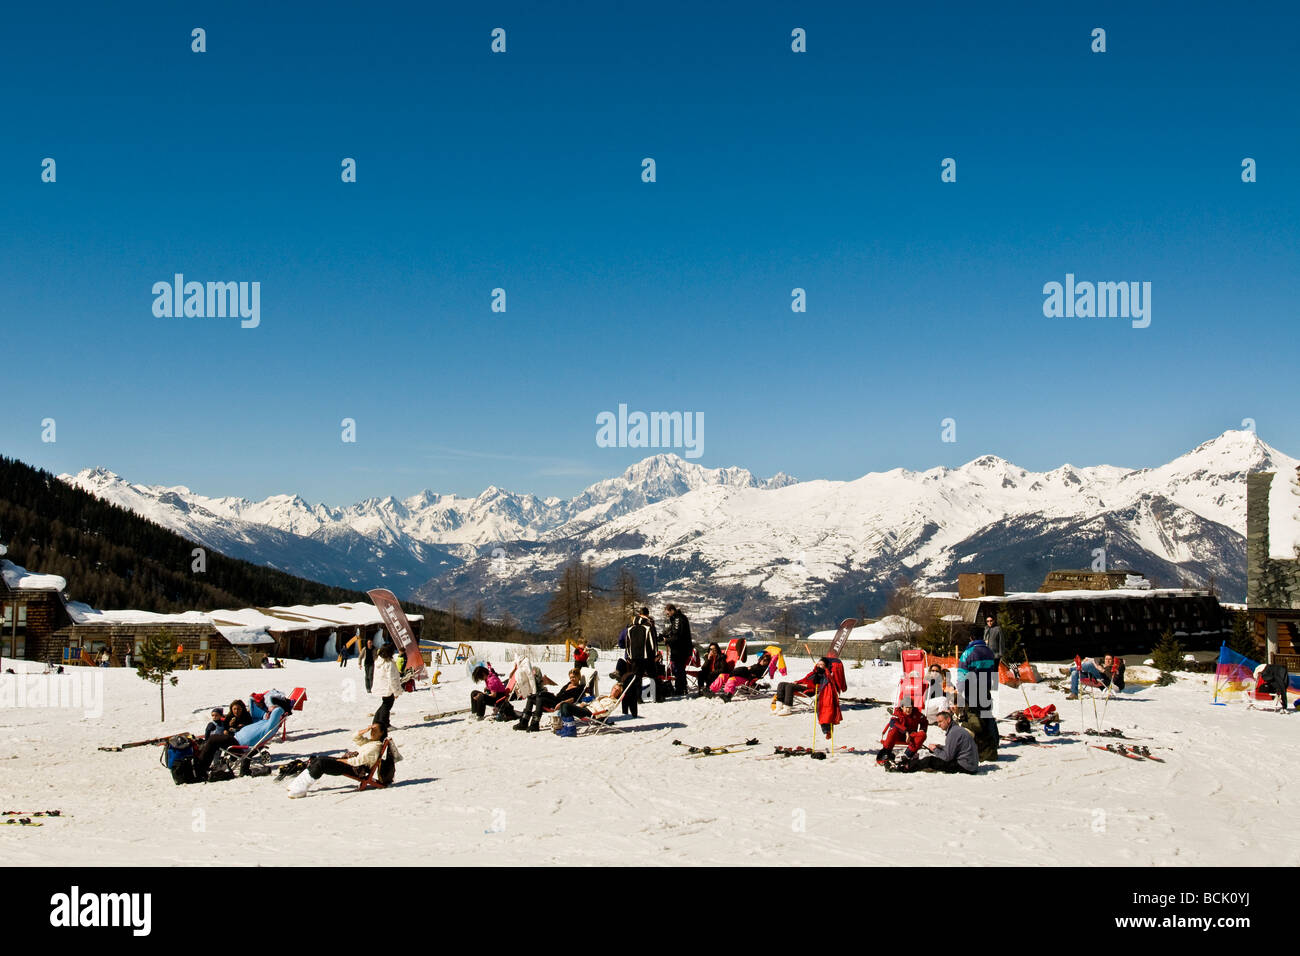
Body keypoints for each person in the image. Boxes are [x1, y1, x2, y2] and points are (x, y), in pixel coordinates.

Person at [286, 723, 400, 797]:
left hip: (354, 768)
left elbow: (358, 761)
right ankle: (297, 784)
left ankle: (300, 790)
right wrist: (365, 730)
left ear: (382, 733)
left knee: (321, 763)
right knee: (317, 759)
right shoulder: (371, 743)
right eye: (372, 730)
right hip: (350, 764)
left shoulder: (375, 746)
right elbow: (355, 738)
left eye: (375, 731)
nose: (372, 733)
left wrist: (341, 761)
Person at [897, 698, 977, 774]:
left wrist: (935, 749)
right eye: (937, 722)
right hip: (971, 765)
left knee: (930, 760)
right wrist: (941, 747)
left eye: (940, 722)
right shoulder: (956, 729)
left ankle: (906, 767)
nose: (938, 725)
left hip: (965, 767)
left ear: (948, 720)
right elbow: (953, 750)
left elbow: (946, 757)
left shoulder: (953, 733)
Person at [958, 633, 999, 752]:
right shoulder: (989, 652)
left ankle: (976, 742)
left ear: (971, 638)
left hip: (972, 688)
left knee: (973, 716)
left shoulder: (967, 653)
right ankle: (994, 741)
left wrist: (959, 691)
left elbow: (962, 673)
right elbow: (993, 670)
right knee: (987, 715)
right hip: (985, 687)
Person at [193, 699, 253, 777]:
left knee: (213, 740)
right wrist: (228, 728)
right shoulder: (229, 717)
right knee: (211, 743)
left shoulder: (246, 717)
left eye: (238, 709)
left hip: (238, 741)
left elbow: (249, 729)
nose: (236, 711)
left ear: (242, 708)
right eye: (234, 709)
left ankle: (201, 767)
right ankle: (202, 766)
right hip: (229, 738)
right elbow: (225, 727)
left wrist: (243, 726)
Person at [515, 668, 586, 732]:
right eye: (570, 677)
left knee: (540, 699)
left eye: (574, 677)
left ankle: (535, 724)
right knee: (531, 697)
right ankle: (524, 722)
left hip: (559, 703)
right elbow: (560, 693)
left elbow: (573, 699)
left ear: (578, 677)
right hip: (555, 698)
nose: (572, 679)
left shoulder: (579, 688)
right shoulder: (568, 684)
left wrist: (561, 703)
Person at [877, 694, 928, 766]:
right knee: (893, 731)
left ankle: (907, 755)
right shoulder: (898, 713)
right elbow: (893, 723)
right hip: (899, 735)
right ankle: (885, 754)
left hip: (911, 737)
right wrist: (905, 731)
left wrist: (922, 730)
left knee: (922, 735)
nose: (908, 710)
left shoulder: (916, 713)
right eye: (906, 707)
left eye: (910, 707)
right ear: (902, 707)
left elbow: (924, 721)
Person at [623, 610, 656, 718]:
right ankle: (654, 695)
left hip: (634, 656)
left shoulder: (630, 627)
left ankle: (638, 697)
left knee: (637, 677)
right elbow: (652, 642)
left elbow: (626, 642)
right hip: (646, 655)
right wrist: (654, 654)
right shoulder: (648, 626)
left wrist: (628, 655)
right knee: (652, 674)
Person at [663, 603, 693, 697]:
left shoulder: (678, 619)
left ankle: (681, 688)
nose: (667, 616)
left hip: (680, 649)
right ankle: (681, 687)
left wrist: (666, 640)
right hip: (680, 649)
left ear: (672, 610)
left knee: (679, 669)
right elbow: (673, 632)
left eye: (668, 613)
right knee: (678, 669)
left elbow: (677, 636)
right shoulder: (678, 618)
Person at [372, 644, 404, 729]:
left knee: (385, 704)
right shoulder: (389, 663)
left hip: (381, 686)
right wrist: (396, 691)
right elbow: (392, 679)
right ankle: (385, 724)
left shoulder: (379, 661)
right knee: (387, 705)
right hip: (388, 687)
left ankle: (376, 722)